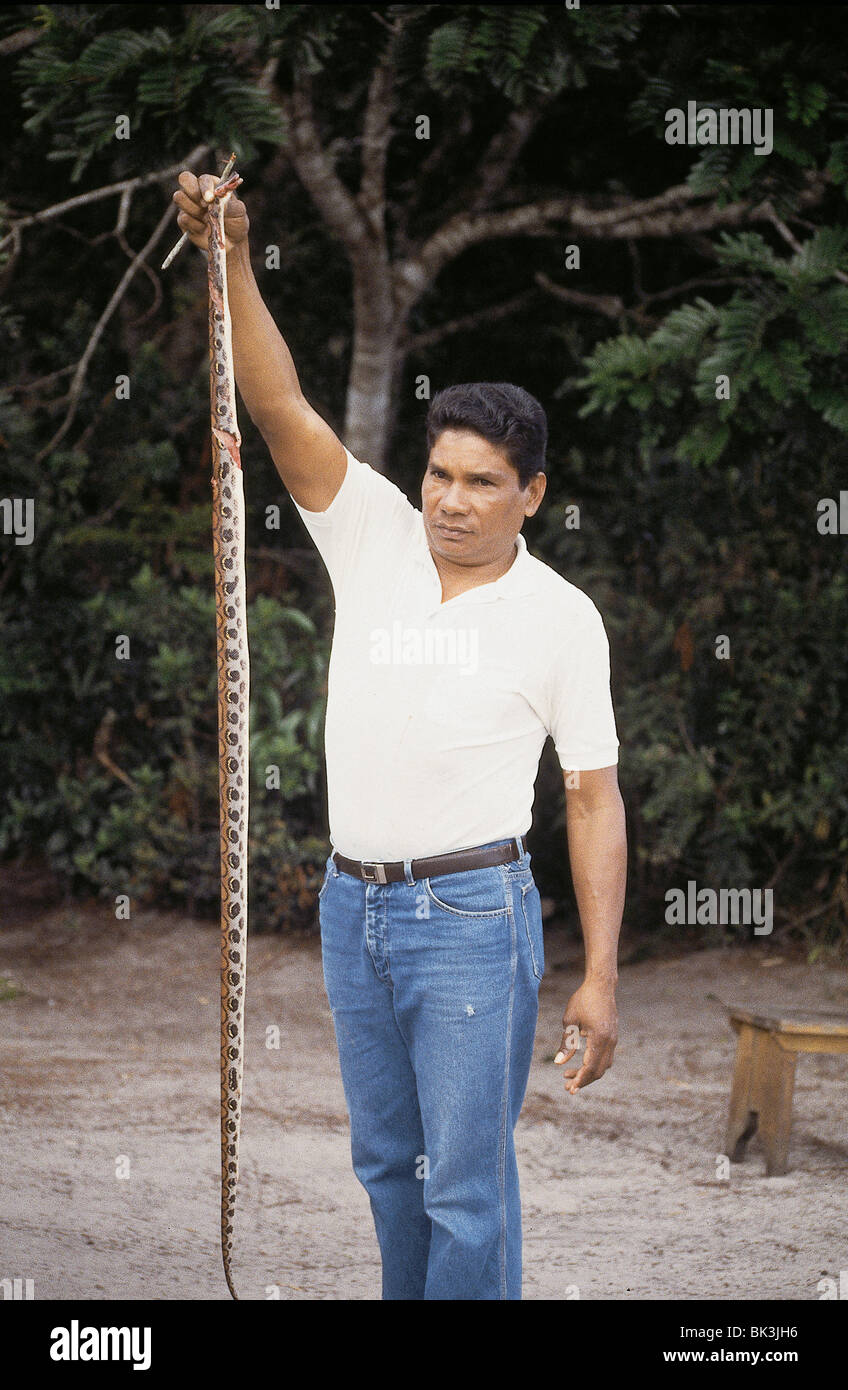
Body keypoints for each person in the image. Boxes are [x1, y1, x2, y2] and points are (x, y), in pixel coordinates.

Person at [173, 169, 627, 1301]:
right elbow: (279, 410)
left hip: (471, 917)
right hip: (349, 902)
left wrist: (600, 977)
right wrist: (229, 254)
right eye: (438, 472)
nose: (450, 499)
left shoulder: (561, 617)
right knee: (385, 1164)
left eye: (481, 482)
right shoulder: (371, 532)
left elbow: (591, 798)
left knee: (463, 1184)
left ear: (530, 493)